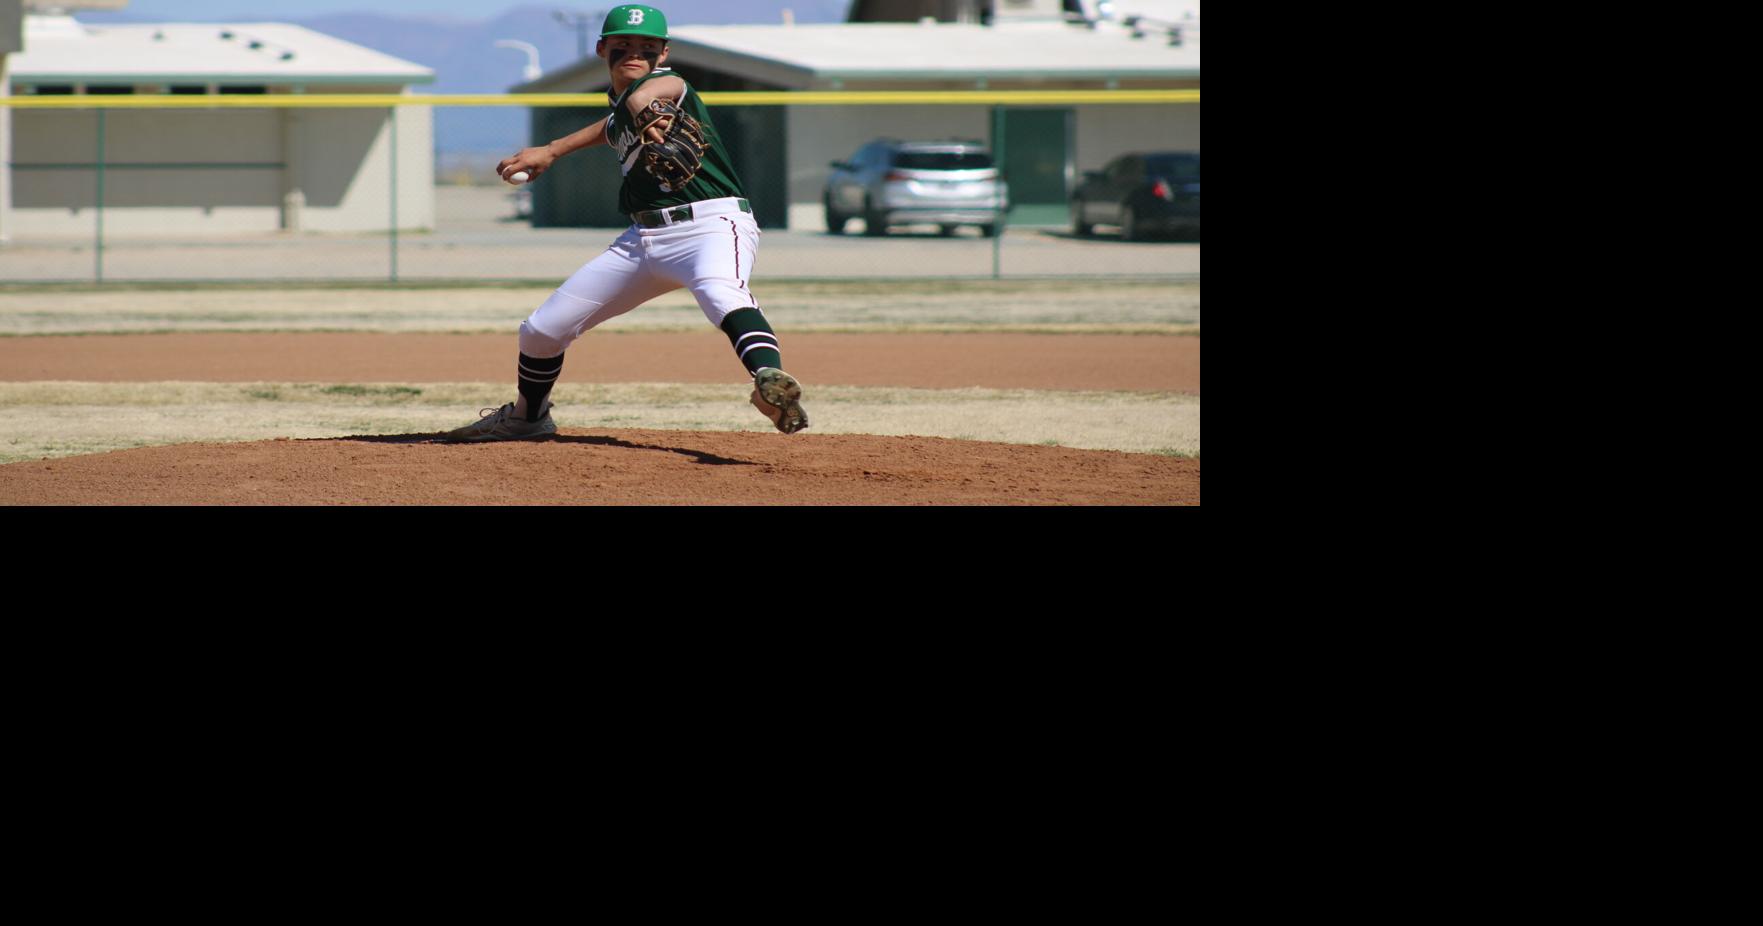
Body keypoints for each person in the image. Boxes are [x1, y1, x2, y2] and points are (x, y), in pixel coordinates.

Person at [444, 3, 807, 442]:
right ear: (602, 49)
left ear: (663, 53)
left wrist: (645, 103)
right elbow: (613, 122)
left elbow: (650, 93)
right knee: (542, 331)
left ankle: (769, 379)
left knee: (721, 292)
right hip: (644, 238)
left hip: (712, 224)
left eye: (647, 47)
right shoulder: (621, 108)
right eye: (623, 45)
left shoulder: (669, 85)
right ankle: (528, 416)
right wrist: (553, 150)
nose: (635, 52)